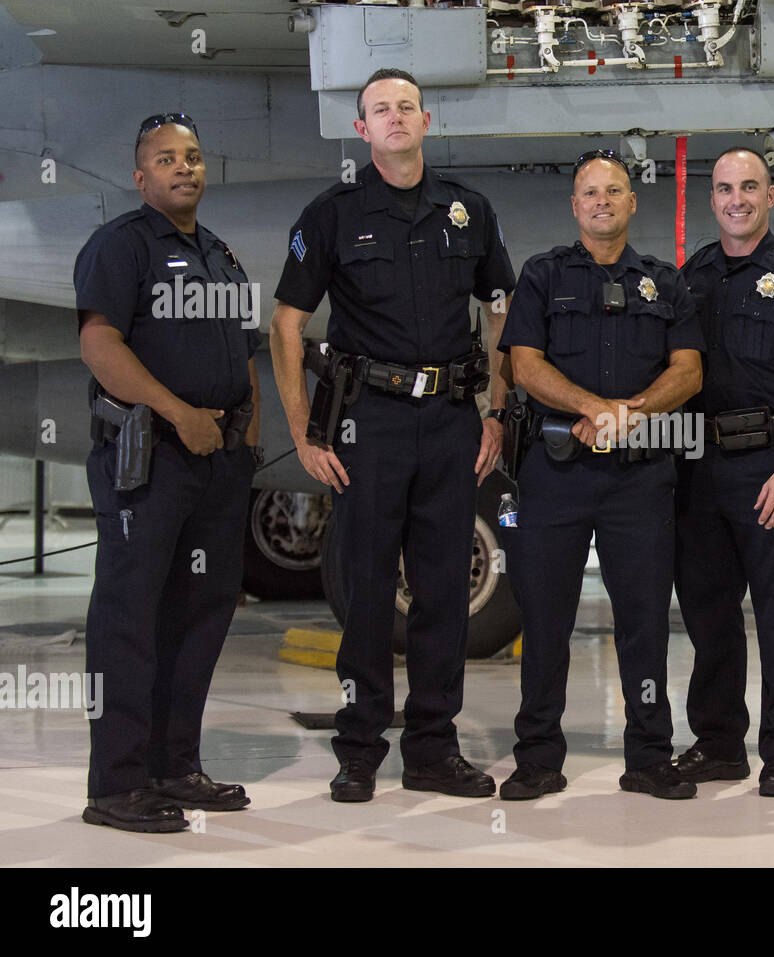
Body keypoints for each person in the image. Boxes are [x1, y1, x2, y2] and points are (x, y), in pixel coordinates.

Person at [269, 69, 516, 803]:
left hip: (448, 421)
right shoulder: (332, 215)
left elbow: (500, 310)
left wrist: (496, 410)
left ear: (426, 120)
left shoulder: (468, 211)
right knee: (370, 590)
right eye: (381, 109)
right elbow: (286, 325)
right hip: (365, 423)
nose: (396, 118)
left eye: (406, 106)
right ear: (363, 129)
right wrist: (303, 433)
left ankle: (434, 749)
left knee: (440, 591)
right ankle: (358, 747)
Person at [496, 149, 704, 800]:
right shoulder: (541, 276)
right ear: (575, 205)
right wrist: (592, 408)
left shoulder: (665, 284)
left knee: (643, 620)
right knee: (546, 616)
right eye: (590, 192)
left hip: (639, 477)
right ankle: (537, 756)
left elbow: (690, 370)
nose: (603, 201)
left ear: (632, 202)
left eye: (614, 190)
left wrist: (629, 414)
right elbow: (523, 366)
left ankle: (648, 755)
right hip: (555, 471)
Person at [75, 113, 261, 832]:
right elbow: (100, 344)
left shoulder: (218, 253)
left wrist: (246, 429)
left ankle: (173, 765)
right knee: (129, 619)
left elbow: (241, 345)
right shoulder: (121, 247)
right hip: (150, 457)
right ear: (141, 176)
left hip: (217, 462)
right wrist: (178, 411)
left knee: (199, 616)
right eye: (166, 159)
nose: (184, 168)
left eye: (192, 156)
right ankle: (116, 784)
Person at [673, 148, 774, 797]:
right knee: (708, 613)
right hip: (699, 467)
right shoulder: (691, 279)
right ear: (711, 200)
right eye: (723, 188)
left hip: (769, 463)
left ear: (770, 196)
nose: (736, 198)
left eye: (749, 186)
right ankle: (718, 742)